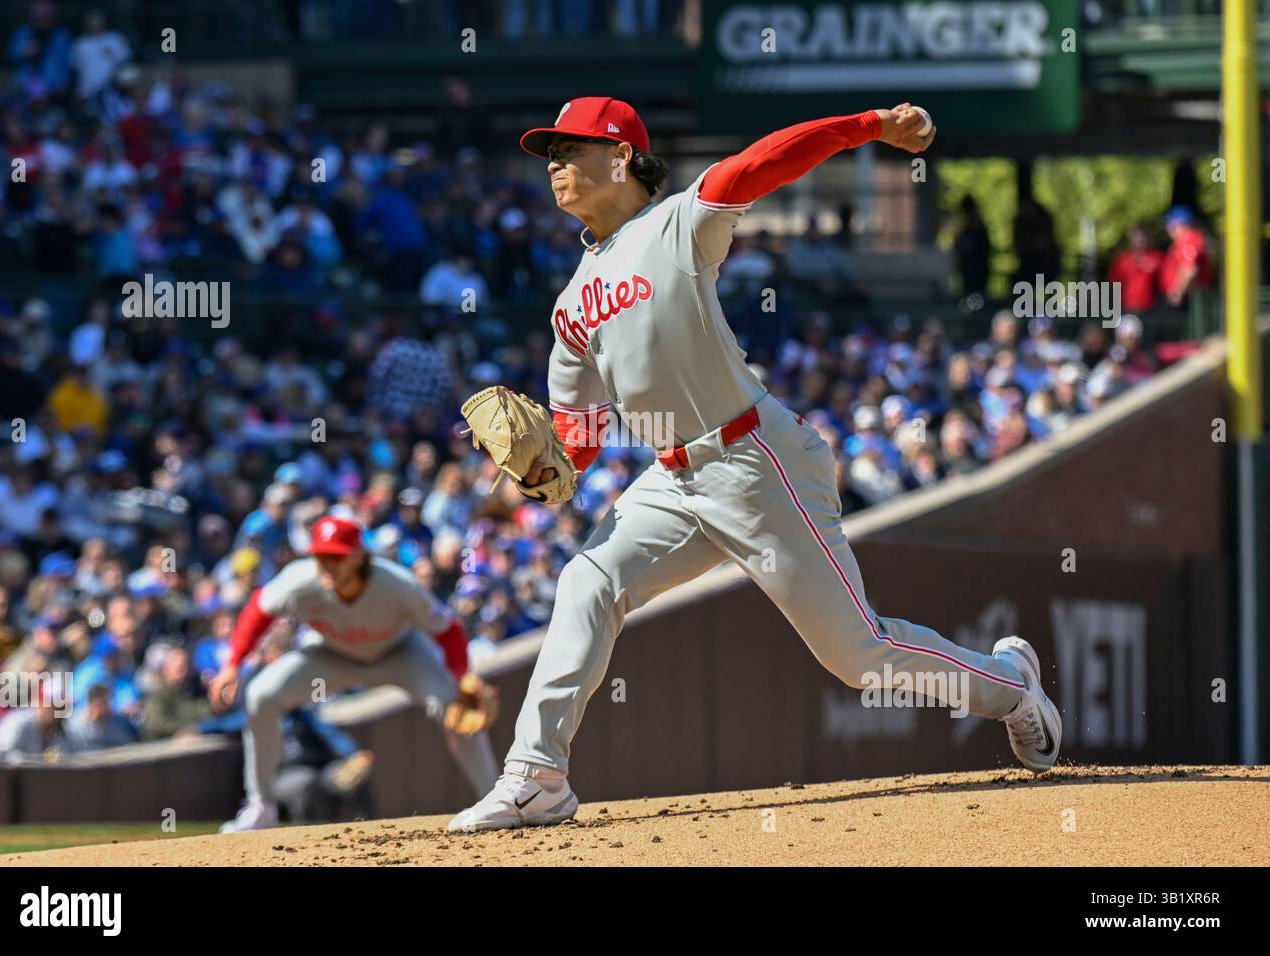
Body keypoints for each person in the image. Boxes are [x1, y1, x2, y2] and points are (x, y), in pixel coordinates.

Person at [449, 97, 1061, 833]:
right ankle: (537, 775)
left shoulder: (678, 223)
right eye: (548, 152)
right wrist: (545, 472)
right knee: (587, 578)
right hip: (672, 480)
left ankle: (1008, 685)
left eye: (569, 148)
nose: (553, 164)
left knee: (859, 657)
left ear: (620, 157)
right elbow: (578, 436)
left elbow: (764, 162)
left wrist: (870, 127)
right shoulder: (572, 303)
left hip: (754, 458)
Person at [209, 515, 498, 832]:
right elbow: (258, 612)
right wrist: (232, 663)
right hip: (332, 655)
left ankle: (493, 798)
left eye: (337, 556)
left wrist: (462, 675)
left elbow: (447, 629)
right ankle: (262, 806)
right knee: (260, 695)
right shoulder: (300, 579)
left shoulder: (396, 583)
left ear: (359, 556)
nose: (327, 564)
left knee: (455, 704)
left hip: (400, 653)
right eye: (321, 555)